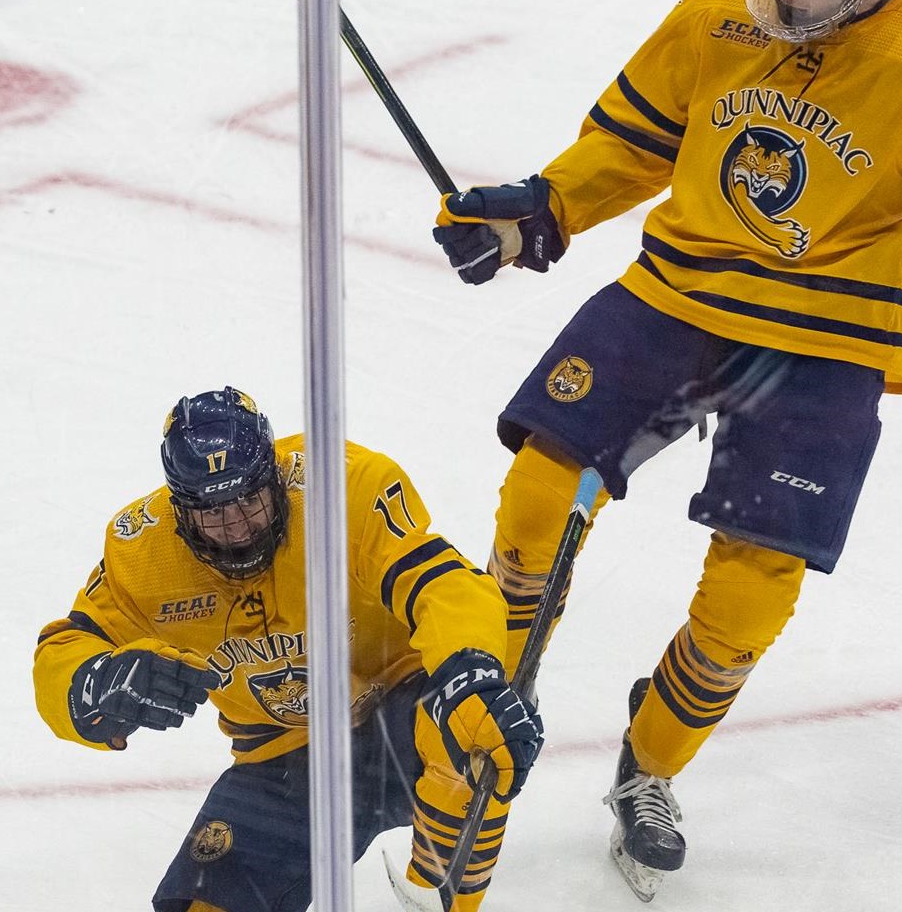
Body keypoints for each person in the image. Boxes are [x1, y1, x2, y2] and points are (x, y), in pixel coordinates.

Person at [429, 0, 902, 901]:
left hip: (831, 338)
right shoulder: (724, 0)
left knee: (745, 604)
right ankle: (483, 705)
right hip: (678, 295)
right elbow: (633, 138)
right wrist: (547, 207)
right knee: (545, 486)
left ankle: (650, 766)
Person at [32, 387, 543, 912]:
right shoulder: (142, 551)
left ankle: (440, 900)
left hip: (403, 716)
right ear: (178, 507)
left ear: (274, 477)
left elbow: (446, 585)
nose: (236, 529)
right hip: (283, 759)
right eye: (212, 513)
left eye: (248, 501)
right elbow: (65, 648)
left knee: (474, 726)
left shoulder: (340, 486)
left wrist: (470, 672)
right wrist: (93, 683)